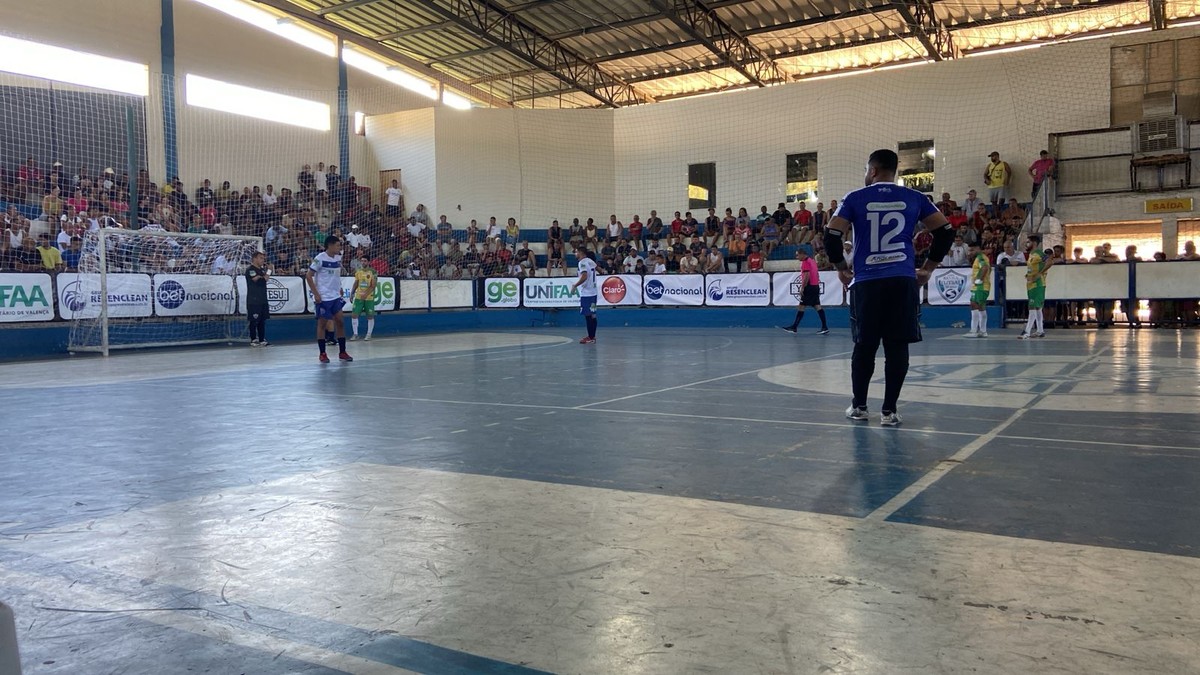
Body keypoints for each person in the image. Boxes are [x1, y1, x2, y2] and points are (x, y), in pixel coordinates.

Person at [825, 149, 954, 427]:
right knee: (897, 346)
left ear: (872, 171)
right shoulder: (916, 198)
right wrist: (928, 267)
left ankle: (859, 406)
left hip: (867, 283)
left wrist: (840, 267)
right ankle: (889, 411)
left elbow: (832, 233)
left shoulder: (855, 198)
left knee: (864, 346)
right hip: (902, 281)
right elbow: (945, 231)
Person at [306, 236, 352, 363]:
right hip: (324, 297)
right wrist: (316, 293)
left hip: (336, 296)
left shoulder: (337, 258)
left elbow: (336, 275)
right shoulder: (319, 259)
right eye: (337, 245)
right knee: (322, 324)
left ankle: (342, 352)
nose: (339, 248)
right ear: (330, 245)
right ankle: (322, 353)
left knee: (340, 322)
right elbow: (309, 276)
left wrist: (340, 287)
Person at [782, 249, 829, 334]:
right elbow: (816, 274)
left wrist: (802, 287)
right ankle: (824, 327)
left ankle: (794, 327)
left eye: (797, 255)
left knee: (802, 306)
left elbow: (806, 276)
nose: (796, 257)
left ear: (802, 254)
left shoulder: (805, 262)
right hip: (815, 286)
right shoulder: (812, 261)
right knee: (817, 306)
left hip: (809, 286)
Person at [1019, 235, 1053, 339]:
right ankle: (1040, 330)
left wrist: (1039, 273)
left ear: (1034, 243)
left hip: (1038, 284)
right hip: (1031, 284)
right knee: (1038, 308)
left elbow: (1050, 261)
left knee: (1032, 307)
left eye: (1028, 242)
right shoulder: (1031, 254)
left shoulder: (1039, 253)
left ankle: (1027, 331)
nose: (1026, 244)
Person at [571, 248, 599, 344]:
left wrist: (575, 285)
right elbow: (599, 269)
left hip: (587, 294)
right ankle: (592, 336)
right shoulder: (590, 261)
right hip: (594, 292)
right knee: (593, 315)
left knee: (588, 316)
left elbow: (584, 276)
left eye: (576, 252)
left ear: (581, 253)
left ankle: (590, 337)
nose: (575, 254)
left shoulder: (582, 263)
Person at [349, 251, 378, 341]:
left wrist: (366, 294)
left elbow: (373, 285)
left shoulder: (373, 272)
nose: (363, 262)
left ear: (368, 262)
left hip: (369, 298)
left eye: (365, 261)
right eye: (362, 261)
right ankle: (355, 334)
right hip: (358, 297)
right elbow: (356, 283)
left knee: (370, 316)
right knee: (354, 315)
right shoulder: (358, 271)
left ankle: (369, 334)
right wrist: (352, 293)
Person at [965, 242, 991, 338]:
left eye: (972, 250)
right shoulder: (979, 257)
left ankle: (974, 330)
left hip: (980, 286)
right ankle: (983, 331)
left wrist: (979, 279)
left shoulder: (980, 257)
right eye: (969, 250)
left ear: (978, 249)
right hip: (983, 286)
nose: (970, 252)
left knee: (973, 304)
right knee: (981, 307)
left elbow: (984, 267)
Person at [245, 250, 271, 347]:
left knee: (262, 320)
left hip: (263, 298)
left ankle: (261, 339)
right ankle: (253, 339)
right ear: (254, 258)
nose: (263, 260)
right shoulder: (251, 270)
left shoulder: (262, 270)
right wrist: (269, 271)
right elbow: (258, 279)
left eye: (263, 258)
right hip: (253, 299)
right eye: (261, 258)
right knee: (254, 320)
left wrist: (265, 273)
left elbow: (264, 279)